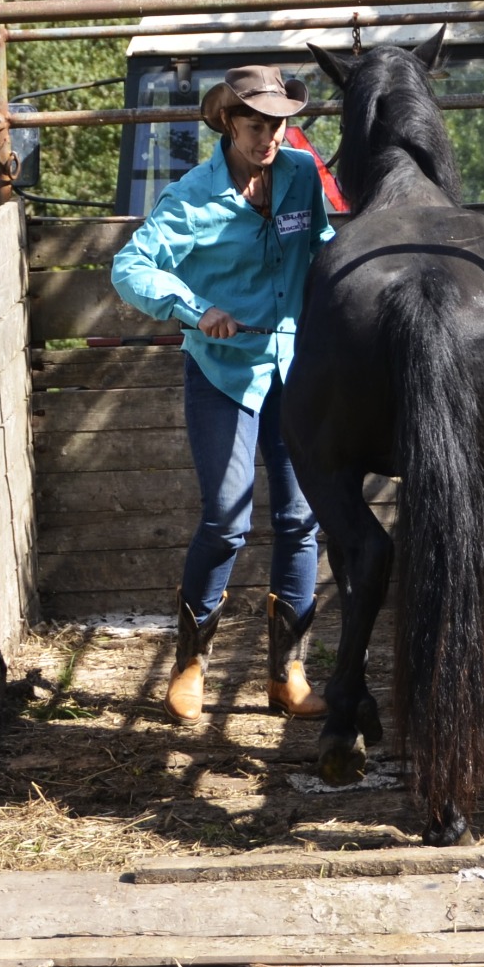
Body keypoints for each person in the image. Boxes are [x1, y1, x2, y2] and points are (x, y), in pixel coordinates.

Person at [110, 63, 335, 723]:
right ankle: (190, 663)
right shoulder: (193, 197)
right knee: (227, 519)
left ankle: (288, 673)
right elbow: (130, 266)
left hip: (295, 370)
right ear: (228, 122)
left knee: (301, 520)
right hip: (224, 374)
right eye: (257, 124)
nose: (270, 136)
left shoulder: (298, 177)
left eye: (279, 124)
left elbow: (322, 246)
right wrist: (193, 305)